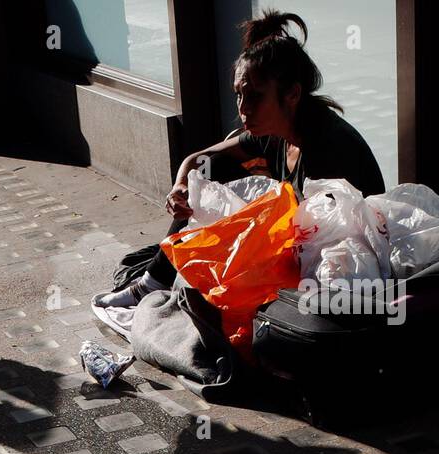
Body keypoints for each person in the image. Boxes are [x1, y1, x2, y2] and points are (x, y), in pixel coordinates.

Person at [92, 9, 386, 337]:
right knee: (210, 175)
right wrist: (179, 188)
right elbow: (201, 158)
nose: (242, 107)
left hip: (344, 274)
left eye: (254, 96)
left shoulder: (329, 148)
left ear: (292, 94)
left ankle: (159, 283)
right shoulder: (276, 131)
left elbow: (323, 243)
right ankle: (151, 282)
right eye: (238, 94)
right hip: (305, 254)